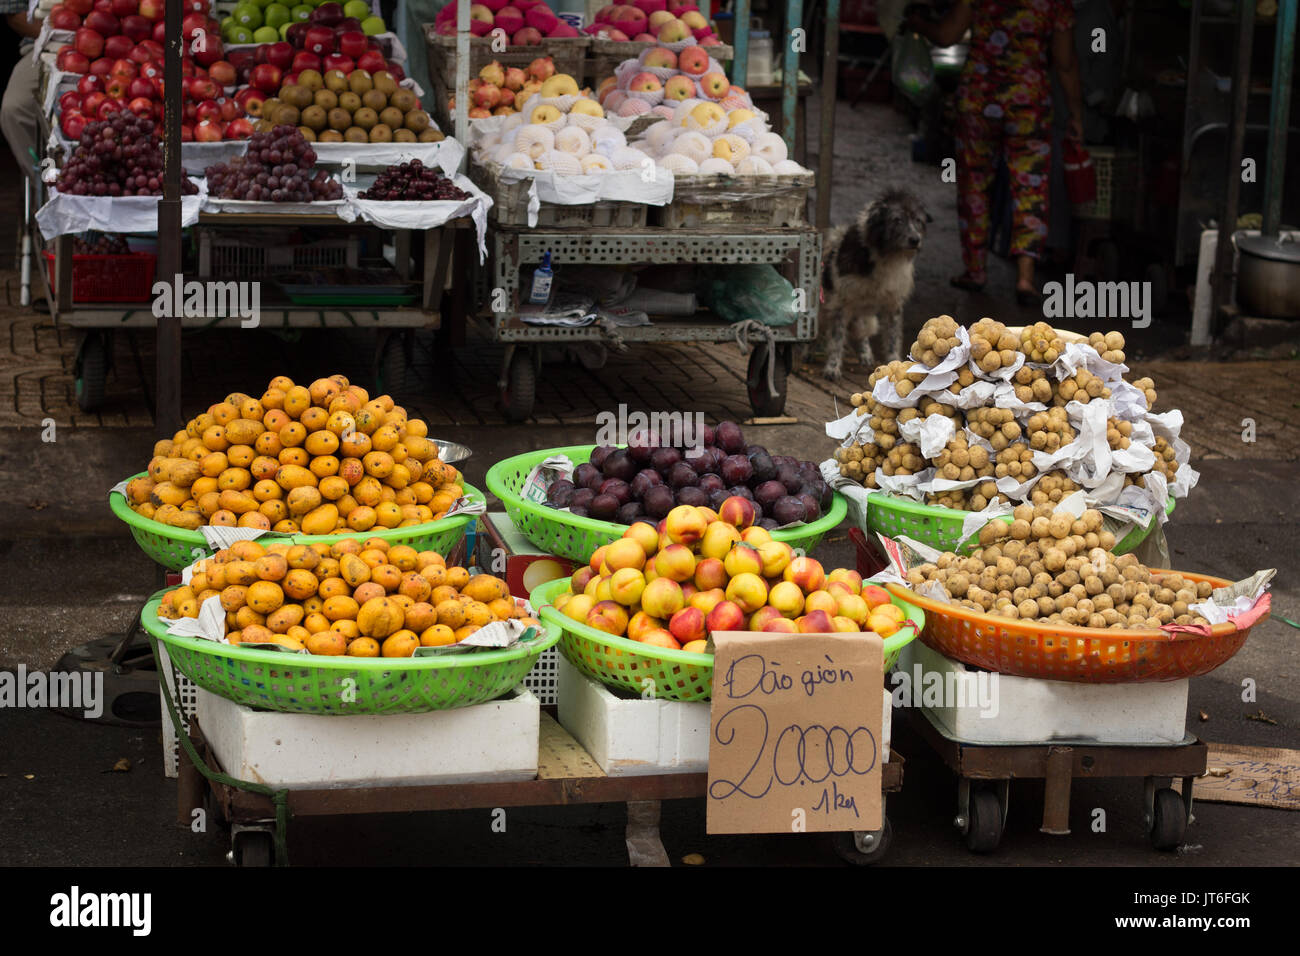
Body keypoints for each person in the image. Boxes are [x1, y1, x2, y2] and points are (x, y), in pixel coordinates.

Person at [908, 0, 1085, 304]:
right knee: (1030, 188)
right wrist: (1076, 113)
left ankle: (975, 271)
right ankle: (1026, 277)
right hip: (1028, 101)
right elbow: (1065, 62)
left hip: (979, 98)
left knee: (974, 184)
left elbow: (948, 35)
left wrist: (917, 23)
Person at [1, 1, 42, 180]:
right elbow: (15, 14)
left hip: (125, 45)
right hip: (44, 46)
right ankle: (48, 188)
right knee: (16, 108)